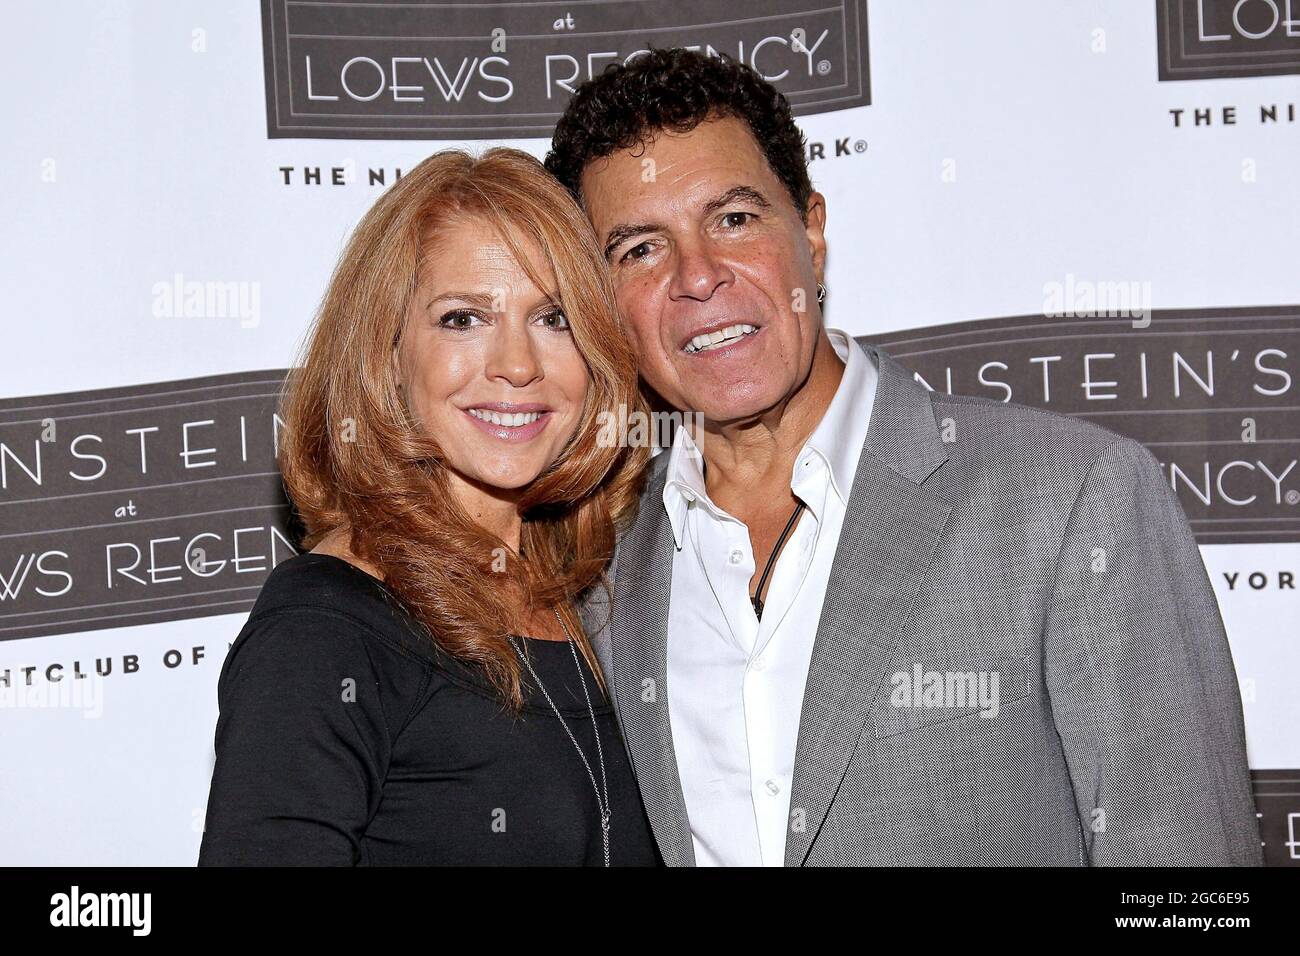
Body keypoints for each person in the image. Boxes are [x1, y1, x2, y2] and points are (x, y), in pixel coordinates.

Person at [544, 48, 1262, 866]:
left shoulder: (1069, 500)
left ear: (811, 230)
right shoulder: (598, 560)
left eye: (734, 218)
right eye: (639, 249)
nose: (698, 277)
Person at [198, 147, 659, 866]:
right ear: (387, 356)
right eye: (462, 319)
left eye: (554, 317)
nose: (516, 364)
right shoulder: (325, 631)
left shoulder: (598, 595)